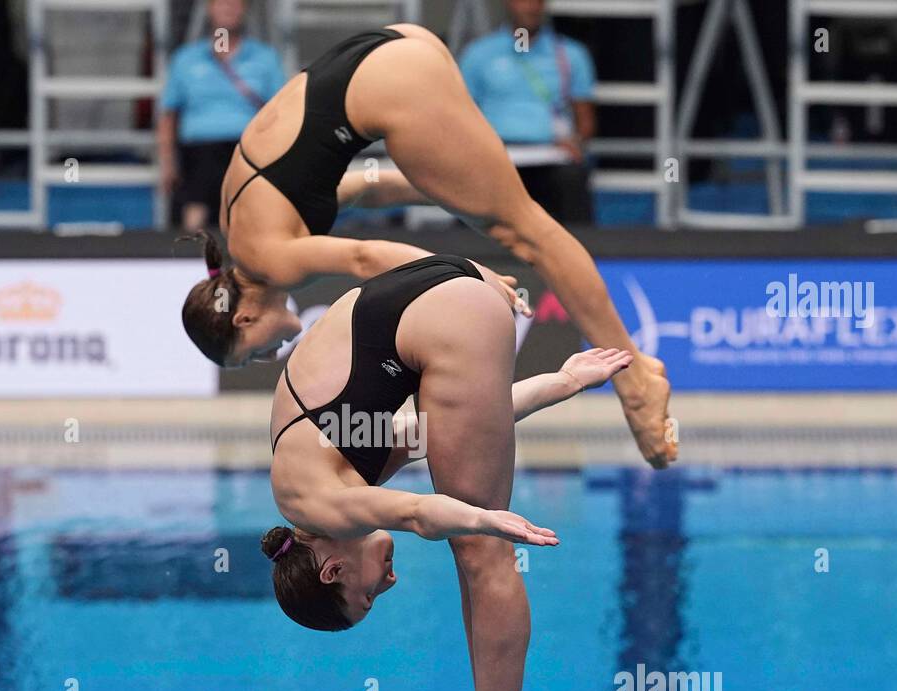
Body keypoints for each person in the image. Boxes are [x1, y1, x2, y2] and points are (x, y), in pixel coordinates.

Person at [257, 247, 634, 691]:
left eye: (368, 597)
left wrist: (485, 523)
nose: (389, 583)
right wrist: (561, 383)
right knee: (475, 522)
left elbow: (417, 513)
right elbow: (454, 427)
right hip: (450, 279)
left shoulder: (312, 503)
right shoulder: (330, 468)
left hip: (448, 313)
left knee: (482, 556)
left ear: (332, 571)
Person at [181, 24, 676, 469]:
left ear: (243, 319)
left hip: (393, 86)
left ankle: (635, 382)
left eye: (248, 356)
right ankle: (632, 373)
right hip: (393, 47)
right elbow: (359, 188)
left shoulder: (267, 262)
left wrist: (465, 272)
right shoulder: (239, 223)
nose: (266, 359)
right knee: (506, 212)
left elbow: (365, 258)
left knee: (527, 234)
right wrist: (450, 185)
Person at [459, 0, 596, 222]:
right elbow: (461, 115)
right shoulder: (478, 54)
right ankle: (463, 255)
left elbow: (585, 119)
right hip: (497, 156)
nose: (531, 7)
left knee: (573, 177)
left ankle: (582, 253)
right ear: (508, 3)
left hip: (551, 156)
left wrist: (577, 142)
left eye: (537, 1)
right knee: (467, 182)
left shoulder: (571, 54)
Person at [159, 0, 285, 231]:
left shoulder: (264, 58)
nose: (228, 8)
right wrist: (167, 163)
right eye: (221, 3)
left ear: (244, 10)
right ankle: (192, 249)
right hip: (199, 149)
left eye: (234, 4)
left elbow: (280, 111)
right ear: (210, 9)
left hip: (248, 147)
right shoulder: (186, 59)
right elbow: (169, 115)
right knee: (202, 174)